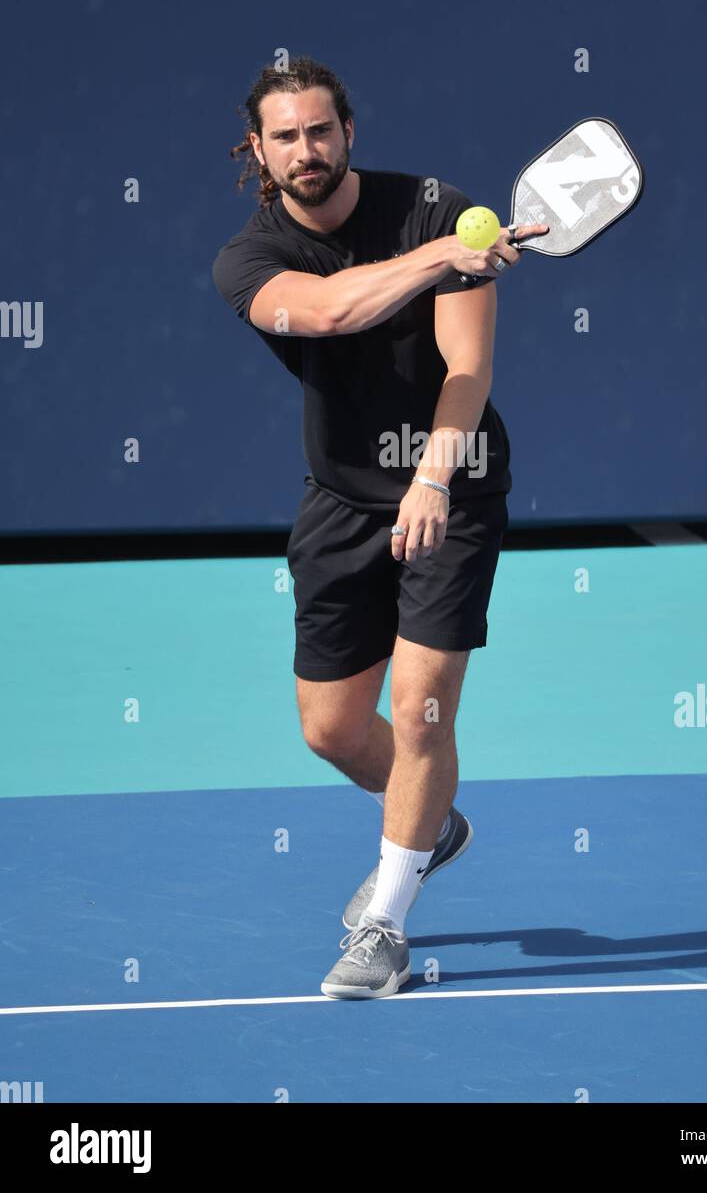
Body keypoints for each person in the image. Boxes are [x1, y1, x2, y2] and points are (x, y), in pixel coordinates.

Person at [212, 57, 548, 998]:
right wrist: (444, 256)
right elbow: (327, 312)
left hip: (455, 483)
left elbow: (466, 372)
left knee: (422, 706)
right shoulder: (250, 261)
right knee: (329, 729)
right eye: (286, 137)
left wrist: (435, 478)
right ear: (259, 151)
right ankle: (432, 824)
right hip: (341, 500)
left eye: (321, 130)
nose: (306, 150)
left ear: (349, 131)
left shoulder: (444, 209)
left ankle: (387, 928)